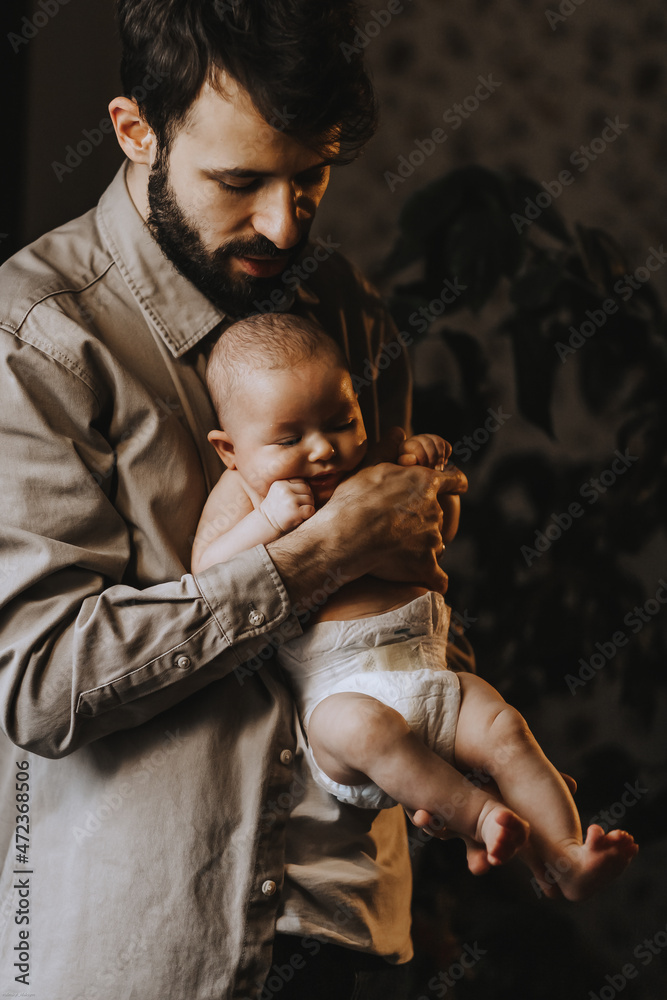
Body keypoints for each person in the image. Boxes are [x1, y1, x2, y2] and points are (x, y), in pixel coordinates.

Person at [0, 2, 469, 998]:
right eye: (239, 181)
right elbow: (40, 683)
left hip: (354, 937)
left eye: (311, 177)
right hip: (148, 957)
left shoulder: (347, 309)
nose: (283, 222)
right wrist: (324, 547)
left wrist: (428, 636)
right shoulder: (33, 339)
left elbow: (383, 613)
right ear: (134, 130)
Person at [192, 311, 638, 902]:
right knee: (362, 726)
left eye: (340, 421)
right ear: (229, 450)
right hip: (339, 699)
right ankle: (479, 816)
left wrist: (425, 479)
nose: (324, 450)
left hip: (430, 676)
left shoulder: (375, 463)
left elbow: (435, 537)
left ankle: (566, 858)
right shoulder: (245, 490)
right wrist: (270, 522)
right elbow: (207, 573)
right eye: (288, 439)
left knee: (506, 729)